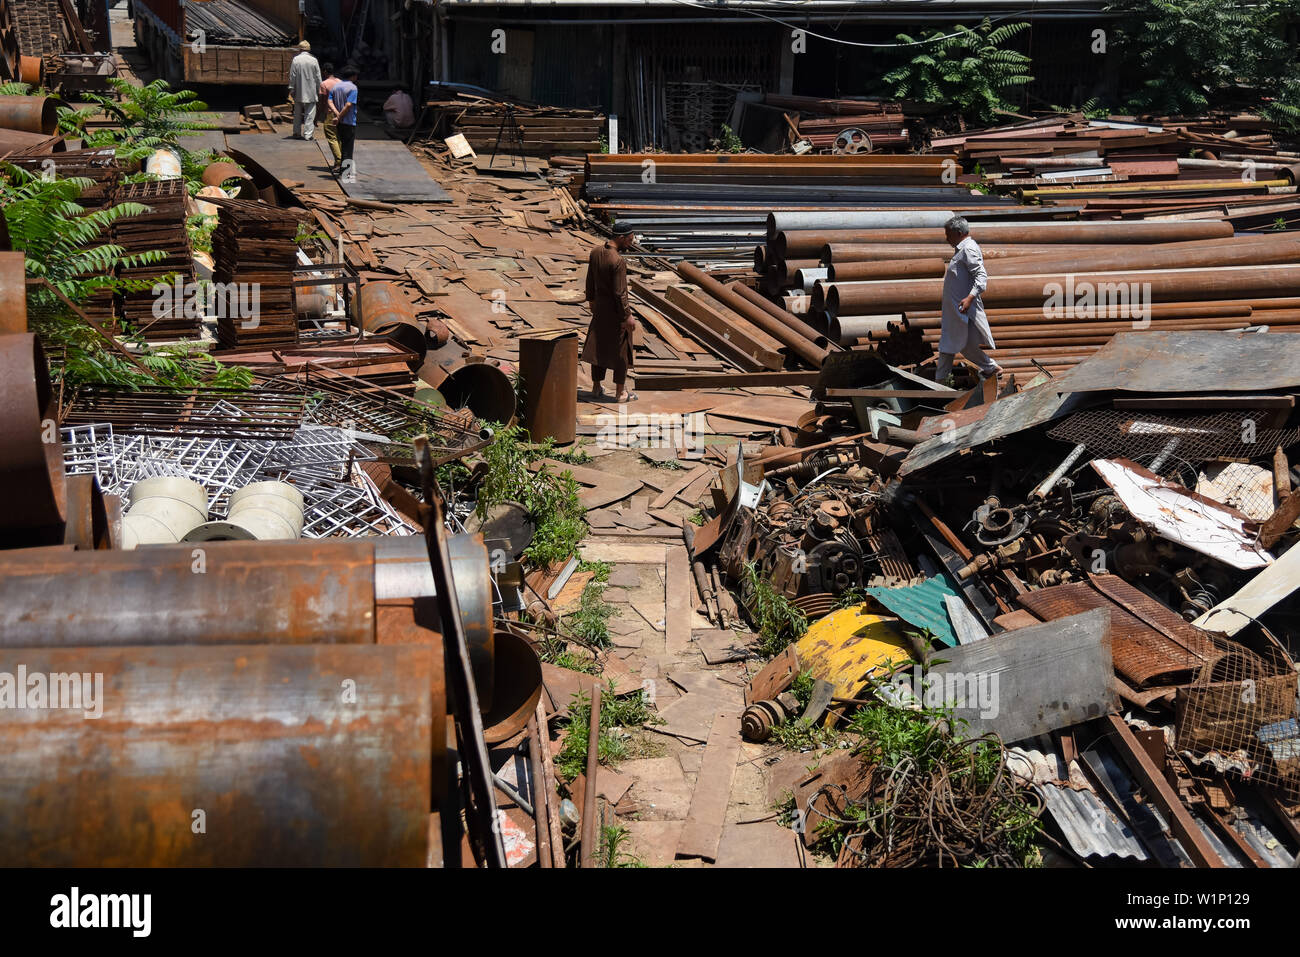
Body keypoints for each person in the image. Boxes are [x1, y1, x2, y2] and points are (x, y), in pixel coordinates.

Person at [937, 215, 1001, 383]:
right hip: (956, 311)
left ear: (958, 233)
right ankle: (991, 368)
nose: (946, 238)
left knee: (949, 346)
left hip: (962, 309)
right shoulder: (962, 249)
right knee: (960, 345)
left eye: (948, 234)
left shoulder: (968, 249)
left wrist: (969, 298)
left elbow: (981, 276)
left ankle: (939, 384)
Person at [582, 222, 638, 403]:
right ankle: (620, 393)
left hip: (600, 308)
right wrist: (627, 316)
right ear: (620, 237)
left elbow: (589, 280)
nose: (631, 243)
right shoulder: (618, 261)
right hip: (615, 312)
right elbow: (620, 293)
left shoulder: (596, 252)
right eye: (629, 240)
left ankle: (596, 387)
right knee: (622, 350)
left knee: (599, 347)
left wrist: (591, 300)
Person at [329, 65, 360, 174]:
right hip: (349, 121)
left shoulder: (336, 87)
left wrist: (337, 115)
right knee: (348, 146)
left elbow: (330, 102)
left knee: (342, 144)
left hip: (339, 122)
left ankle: (343, 168)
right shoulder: (353, 88)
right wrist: (340, 116)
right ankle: (346, 172)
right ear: (353, 76)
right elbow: (348, 105)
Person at [288, 41, 321, 141]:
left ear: (300, 49)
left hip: (299, 90)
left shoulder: (296, 60)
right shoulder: (314, 60)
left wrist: (291, 88)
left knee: (297, 112)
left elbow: (292, 75)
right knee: (310, 113)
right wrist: (319, 89)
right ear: (309, 49)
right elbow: (318, 76)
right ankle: (308, 135)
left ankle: (296, 132)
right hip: (311, 91)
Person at [319, 62, 342, 163]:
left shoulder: (324, 84)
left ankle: (338, 160)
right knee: (339, 136)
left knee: (331, 136)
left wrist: (318, 116)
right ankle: (342, 159)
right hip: (341, 112)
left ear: (324, 71)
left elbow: (322, 102)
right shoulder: (340, 82)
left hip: (331, 113)